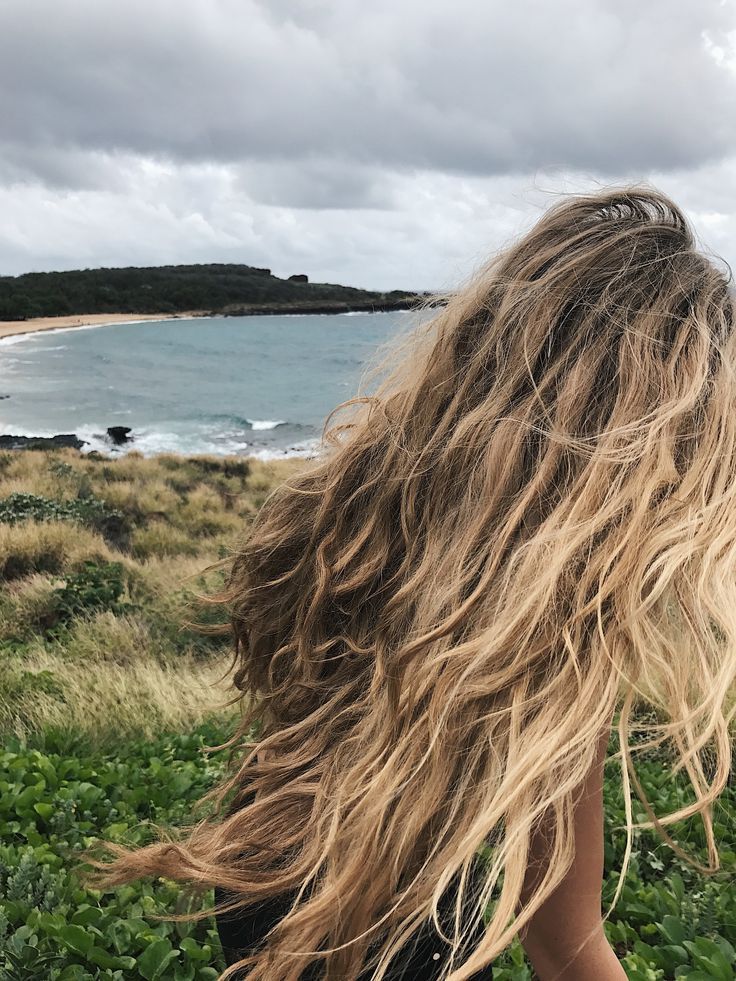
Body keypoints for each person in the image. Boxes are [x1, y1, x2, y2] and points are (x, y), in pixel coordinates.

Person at [92, 186, 736, 980]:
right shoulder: (530, 638)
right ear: (621, 467)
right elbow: (568, 950)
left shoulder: (346, 530)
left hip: (261, 884)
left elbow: (562, 939)